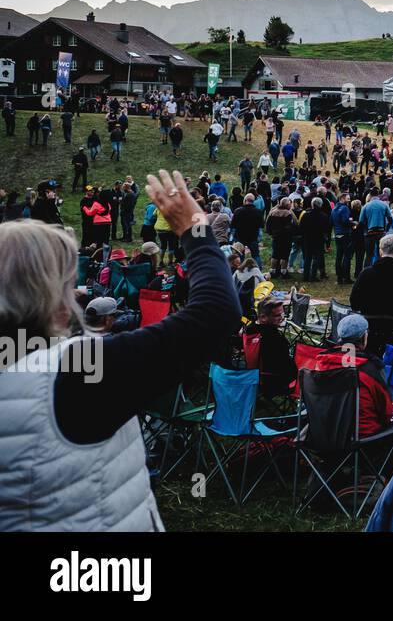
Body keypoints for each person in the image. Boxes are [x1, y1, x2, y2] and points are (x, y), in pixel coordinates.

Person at [0, 170, 241, 530]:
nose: (79, 294)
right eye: (69, 285)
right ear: (50, 297)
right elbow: (217, 313)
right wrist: (195, 228)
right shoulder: (73, 371)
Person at [312, 314, 393, 438]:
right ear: (364, 336)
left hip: (324, 435)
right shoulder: (370, 368)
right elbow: (387, 413)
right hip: (362, 438)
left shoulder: (321, 363)